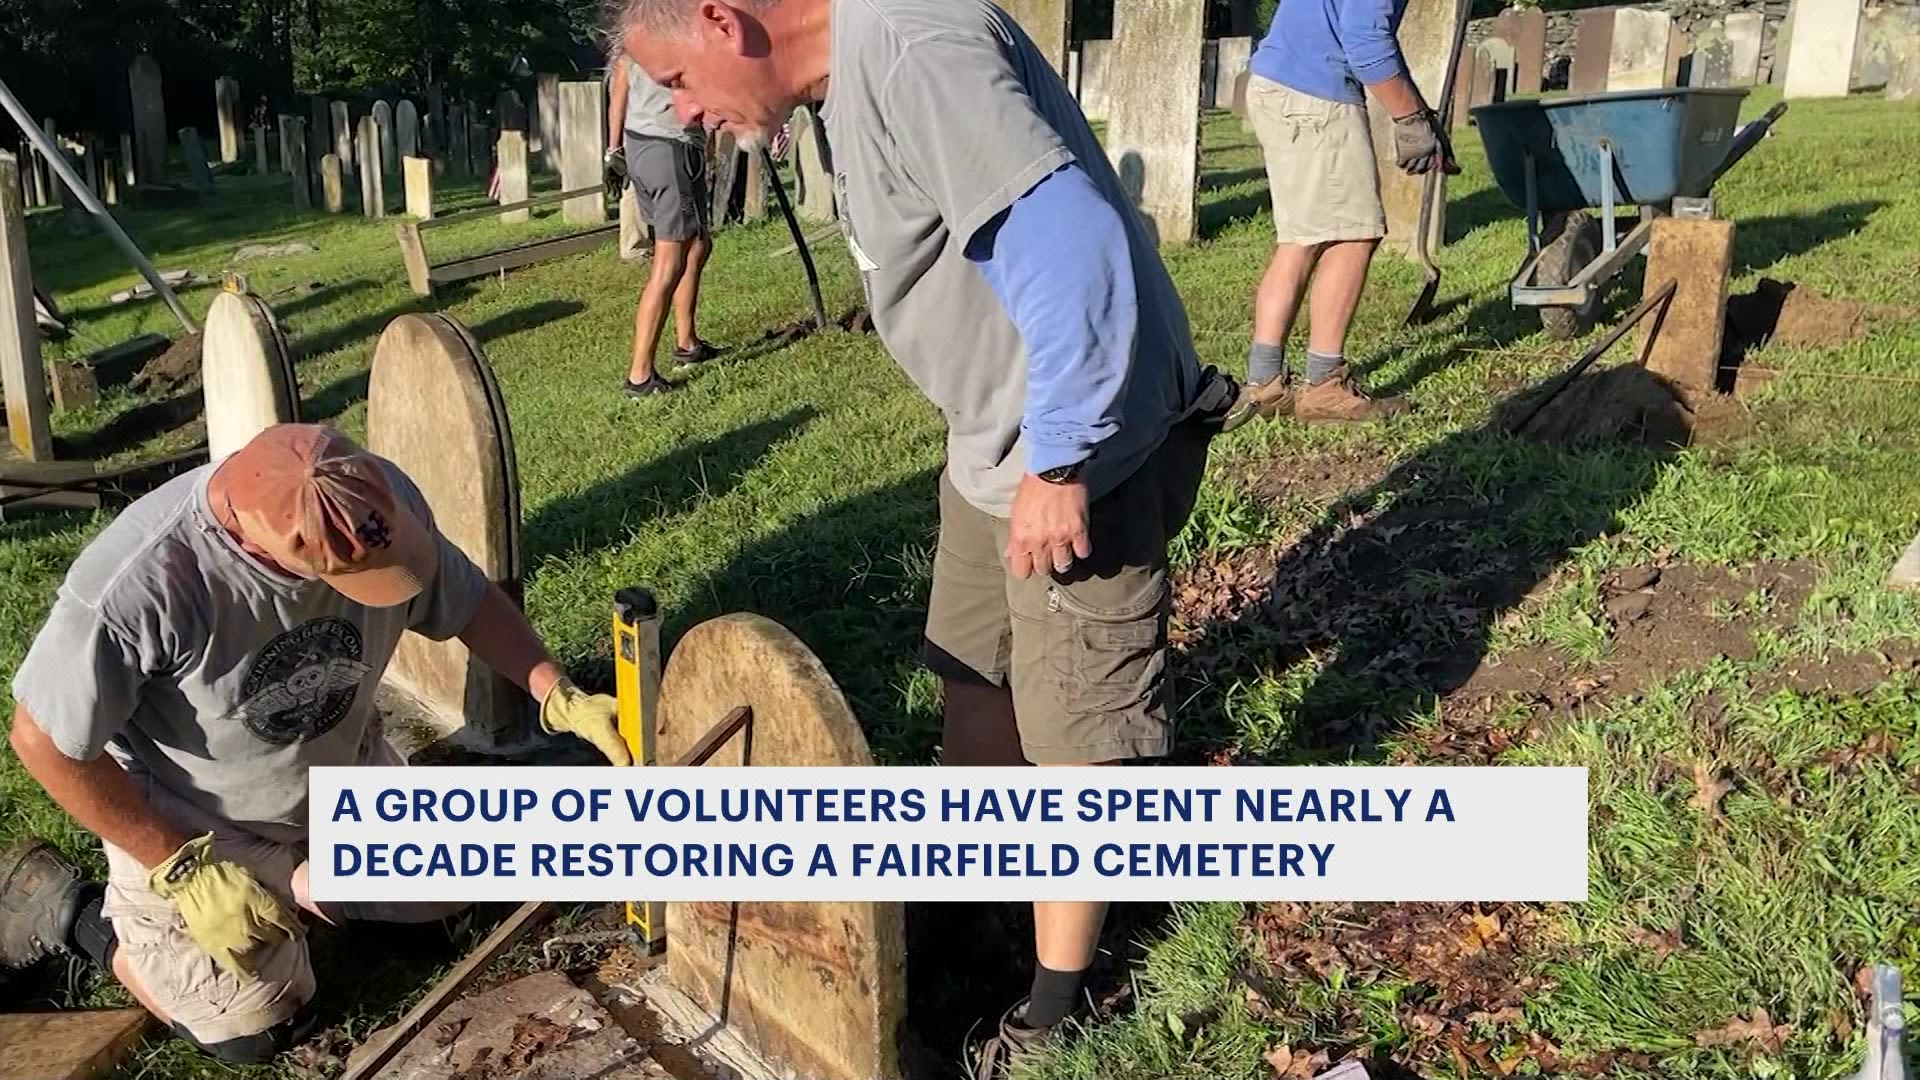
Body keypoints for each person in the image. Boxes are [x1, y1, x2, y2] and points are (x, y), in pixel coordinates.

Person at [606, 0, 1237, 1073]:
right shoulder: (845, 80)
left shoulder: (908, 44)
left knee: (1078, 743)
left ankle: (1059, 1007)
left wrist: (1059, 462)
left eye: (678, 80)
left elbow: (1077, 241)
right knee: (972, 675)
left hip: (1078, 455)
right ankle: (980, 910)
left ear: (724, 20)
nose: (684, 114)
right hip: (990, 450)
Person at [0, 423, 629, 1064]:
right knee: (257, 1035)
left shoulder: (370, 499)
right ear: (262, 545)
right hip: (195, 826)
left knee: (445, 915)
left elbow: (467, 601)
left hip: (344, 774)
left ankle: (312, 887)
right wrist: (179, 866)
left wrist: (556, 692)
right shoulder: (138, 588)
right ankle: (78, 916)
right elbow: (42, 744)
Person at [1221, 0, 1459, 429]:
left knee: (1301, 239)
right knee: (1354, 234)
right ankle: (1324, 387)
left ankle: (1265, 382)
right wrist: (1410, 119)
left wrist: (1421, 112)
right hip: (1316, 97)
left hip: (1286, 86)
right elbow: (1366, 39)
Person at [607, 52, 723, 397]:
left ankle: (687, 342)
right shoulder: (682, 38)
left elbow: (618, 97)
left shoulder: (633, 39)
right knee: (668, 263)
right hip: (672, 148)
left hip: (641, 145)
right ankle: (640, 376)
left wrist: (613, 151)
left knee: (699, 243)